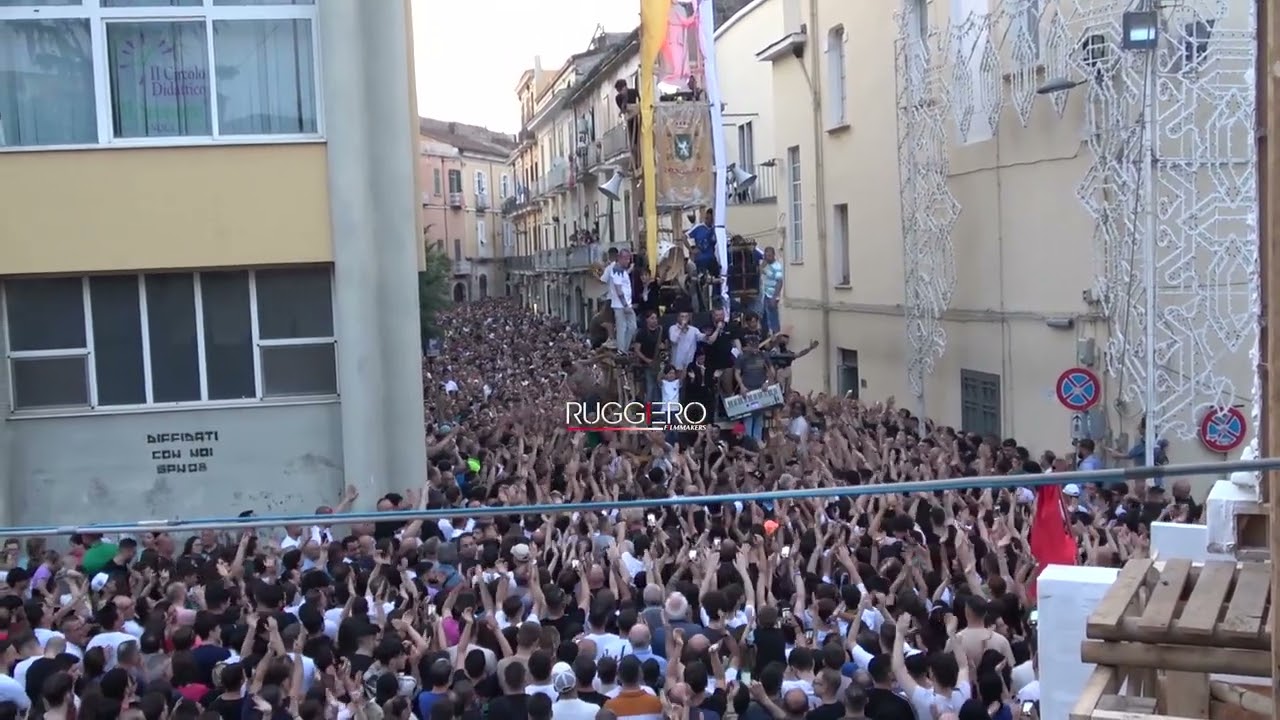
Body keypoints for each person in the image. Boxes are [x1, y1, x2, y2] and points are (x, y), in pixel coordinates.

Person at [756, 246, 784, 335]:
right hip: (764, 294)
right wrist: (763, 263)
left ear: (773, 255)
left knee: (773, 316)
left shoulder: (777, 266)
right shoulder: (766, 265)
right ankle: (766, 335)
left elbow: (780, 282)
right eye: (766, 256)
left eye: (770, 256)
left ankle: (776, 334)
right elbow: (758, 272)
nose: (768, 257)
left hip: (772, 295)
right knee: (764, 317)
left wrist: (774, 297)